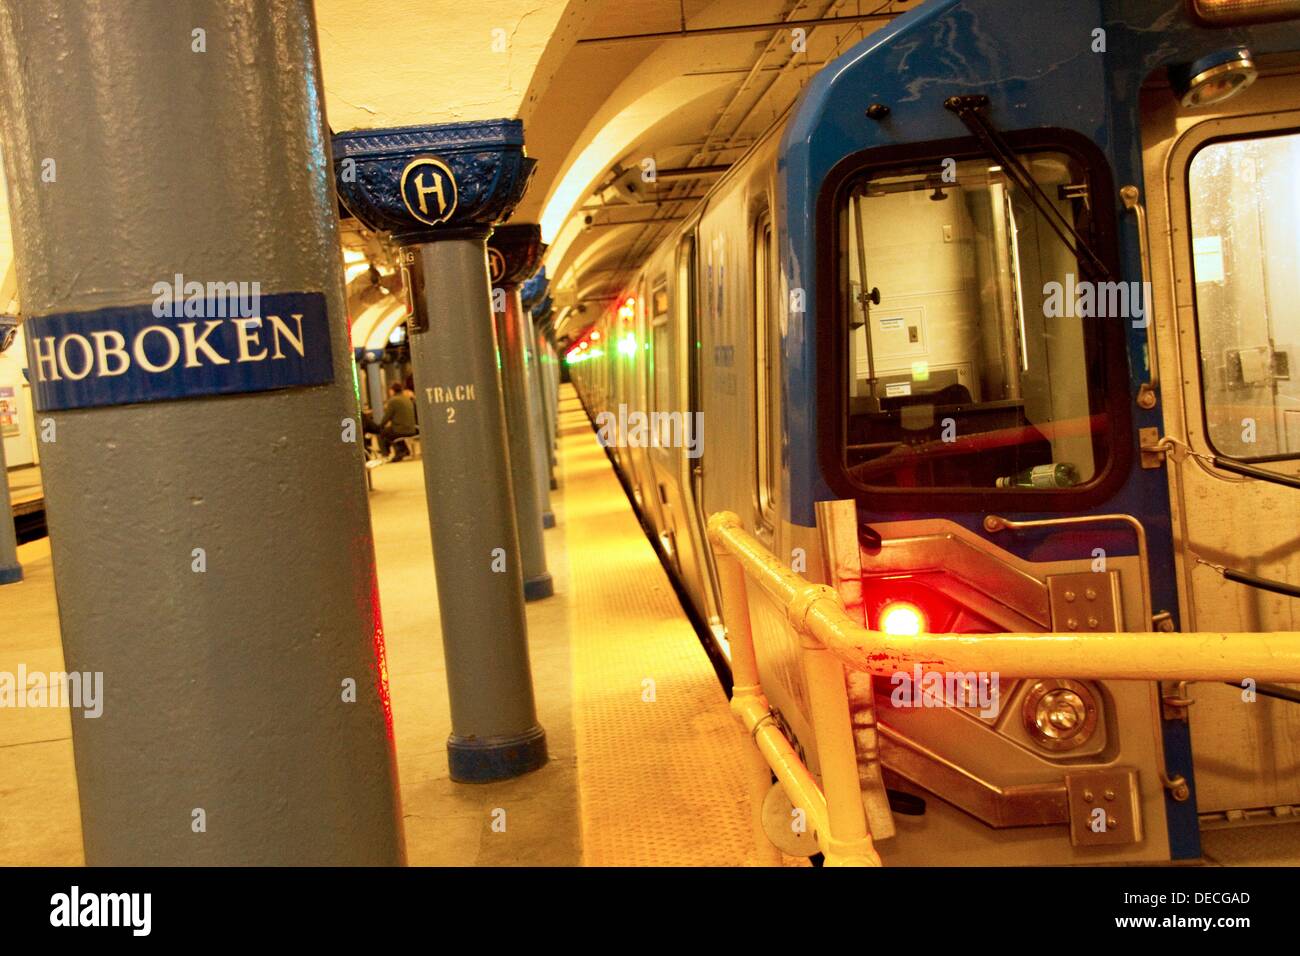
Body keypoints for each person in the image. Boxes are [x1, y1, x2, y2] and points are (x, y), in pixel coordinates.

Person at [378, 382, 418, 460]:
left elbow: (387, 417)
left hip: (400, 430)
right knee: (392, 431)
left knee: (381, 433)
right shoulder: (407, 399)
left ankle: (385, 455)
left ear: (392, 391)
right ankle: (403, 450)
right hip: (412, 429)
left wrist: (380, 426)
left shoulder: (393, 401)